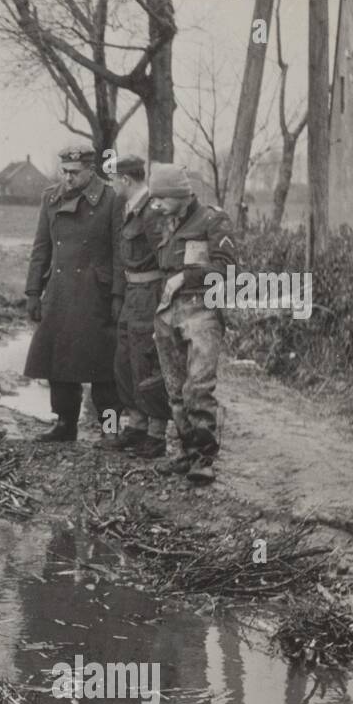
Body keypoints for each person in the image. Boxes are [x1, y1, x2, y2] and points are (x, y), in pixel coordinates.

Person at [23, 146, 125, 443]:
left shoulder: (111, 199)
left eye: (74, 173)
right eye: (64, 172)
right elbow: (41, 247)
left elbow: (120, 252)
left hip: (97, 293)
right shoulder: (51, 198)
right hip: (61, 291)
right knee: (60, 360)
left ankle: (111, 427)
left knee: (104, 365)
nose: (68, 178)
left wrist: (118, 295)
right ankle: (65, 423)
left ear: (91, 170)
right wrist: (33, 291)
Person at [148, 162, 236, 485]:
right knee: (175, 388)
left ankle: (204, 458)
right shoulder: (166, 224)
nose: (154, 205)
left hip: (202, 311)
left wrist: (186, 276)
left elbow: (227, 269)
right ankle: (186, 452)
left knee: (198, 386)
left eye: (161, 198)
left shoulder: (213, 220)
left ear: (181, 195)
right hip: (169, 312)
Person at [109, 155, 173, 459]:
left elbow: (168, 258)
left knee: (148, 361)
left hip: (150, 295)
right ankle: (136, 425)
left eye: (113, 179)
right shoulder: (132, 209)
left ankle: (156, 434)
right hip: (133, 294)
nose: (110, 184)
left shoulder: (151, 211)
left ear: (125, 180)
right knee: (126, 360)